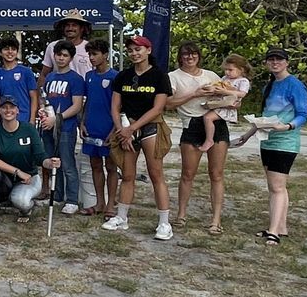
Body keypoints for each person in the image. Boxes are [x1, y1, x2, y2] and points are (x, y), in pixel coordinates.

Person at [233, 47, 307, 246]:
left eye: (279, 59)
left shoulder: (295, 85)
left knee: (277, 187)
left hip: (285, 142)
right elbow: (265, 116)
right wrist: (247, 135)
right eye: (271, 59)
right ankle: (279, 226)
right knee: (274, 186)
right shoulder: (269, 86)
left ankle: (273, 232)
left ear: (287, 62)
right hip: (267, 140)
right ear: (267, 63)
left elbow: (303, 114)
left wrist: (286, 126)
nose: (275, 63)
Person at [102, 36, 174, 240]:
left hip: (149, 127)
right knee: (127, 174)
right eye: (131, 50)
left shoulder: (159, 76)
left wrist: (133, 128)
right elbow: (115, 106)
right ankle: (122, 217)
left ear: (148, 50)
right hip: (126, 127)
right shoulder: (123, 76)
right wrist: (122, 129)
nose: (134, 53)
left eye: (138, 49)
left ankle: (164, 223)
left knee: (156, 174)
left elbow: (158, 107)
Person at [166, 41, 226, 232]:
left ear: (199, 56)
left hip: (216, 122)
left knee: (216, 174)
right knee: (187, 174)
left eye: (193, 54)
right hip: (191, 123)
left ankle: (216, 220)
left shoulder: (211, 75)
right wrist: (195, 94)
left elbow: (228, 95)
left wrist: (219, 93)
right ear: (180, 57)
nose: (190, 57)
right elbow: (168, 104)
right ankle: (181, 215)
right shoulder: (173, 77)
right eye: (185, 54)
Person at [0, 95, 60, 228]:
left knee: (21, 202)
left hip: (29, 178)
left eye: (12, 107)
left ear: (17, 111)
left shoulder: (28, 129)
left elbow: (40, 157)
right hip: (6, 178)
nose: (8, 110)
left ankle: (27, 207)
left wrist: (50, 163)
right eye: (4, 107)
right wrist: (18, 172)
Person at [39, 41, 86, 214]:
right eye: (58, 55)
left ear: (71, 58)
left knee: (67, 164)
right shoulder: (50, 77)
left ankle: (72, 199)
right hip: (48, 127)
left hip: (66, 128)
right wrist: (43, 112)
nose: (61, 58)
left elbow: (77, 105)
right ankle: (57, 196)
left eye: (65, 55)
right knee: (53, 162)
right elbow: (45, 99)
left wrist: (57, 118)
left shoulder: (76, 79)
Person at [81, 38, 119, 219]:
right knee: (95, 165)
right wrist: (82, 122)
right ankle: (99, 202)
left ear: (105, 55)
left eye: (95, 54)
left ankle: (111, 204)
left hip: (109, 127)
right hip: (92, 127)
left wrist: (114, 130)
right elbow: (87, 101)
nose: (91, 58)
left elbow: (119, 106)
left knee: (111, 167)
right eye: (89, 54)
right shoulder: (89, 76)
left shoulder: (115, 77)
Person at [200, 54, 251, 153]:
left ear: (241, 69)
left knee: (207, 118)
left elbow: (242, 94)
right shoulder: (224, 78)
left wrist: (225, 92)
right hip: (219, 103)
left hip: (227, 107)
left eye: (230, 70)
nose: (227, 72)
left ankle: (209, 140)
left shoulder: (243, 81)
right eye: (226, 69)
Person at [0, 36, 39, 125]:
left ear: (16, 52)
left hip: (24, 120)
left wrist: (32, 120)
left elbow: (34, 97)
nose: (10, 52)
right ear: (0, 52)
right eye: (6, 49)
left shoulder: (26, 72)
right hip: (5, 121)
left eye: (13, 49)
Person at [39, 10, 92, 84]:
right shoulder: (52, 46)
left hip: (83, 93)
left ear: (82, 28)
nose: (70, 28)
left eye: (74, 25)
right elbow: (44, 75)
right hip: (58, 92)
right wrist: (40, 94)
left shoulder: (90, 48)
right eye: (67, 25)